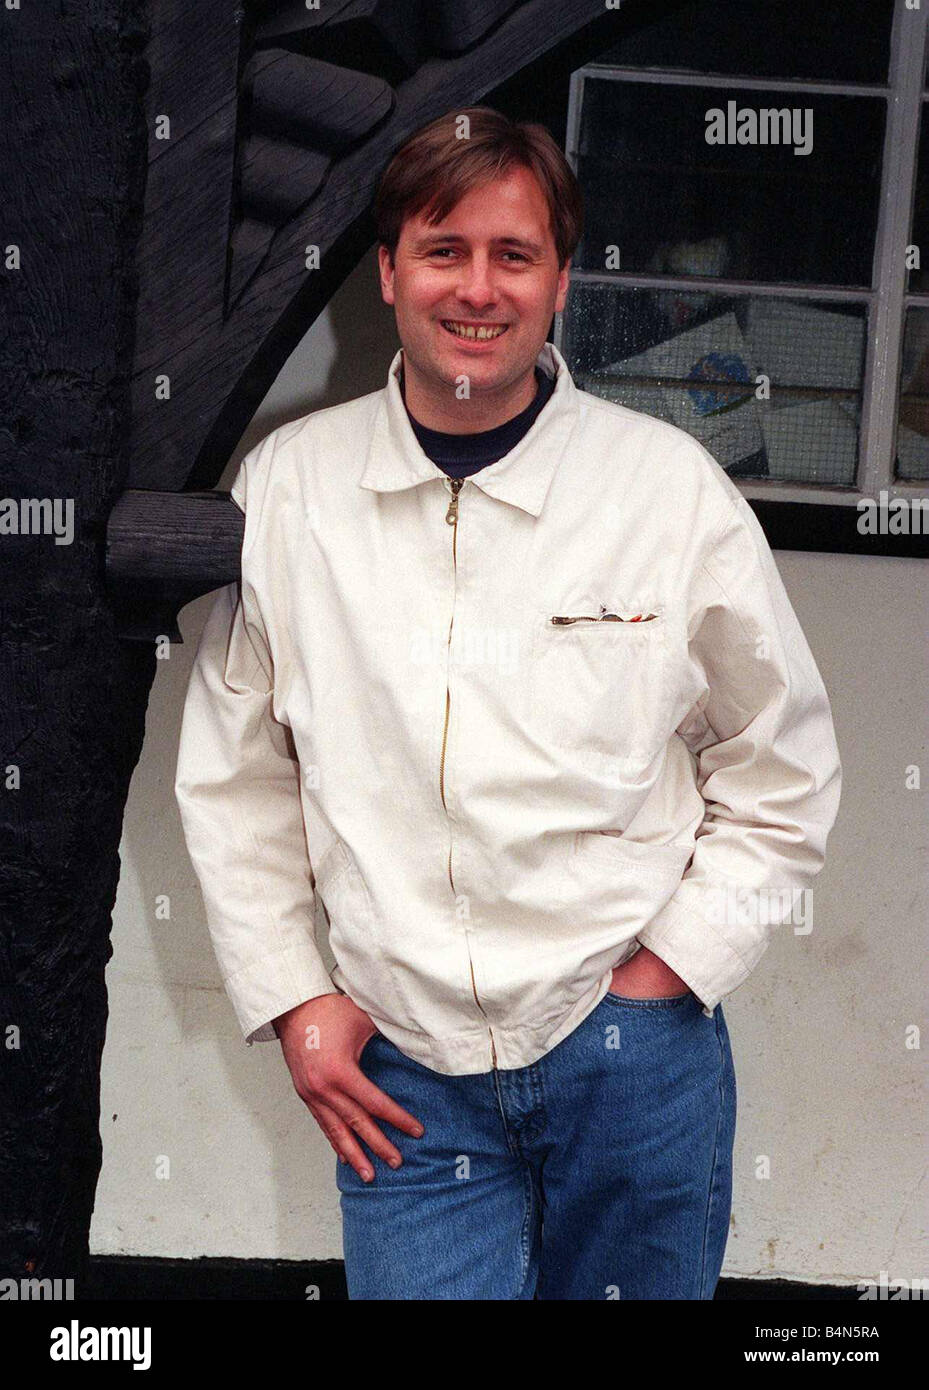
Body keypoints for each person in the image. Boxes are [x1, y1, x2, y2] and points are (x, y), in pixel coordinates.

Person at [174, 106, 842, 1300]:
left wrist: (672, 966)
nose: (476, 289)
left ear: (559, 280)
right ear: (387, 272)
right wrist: (295, 998)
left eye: (512, 254)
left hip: (630, 1054)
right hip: (401, 1073)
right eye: (443, 250)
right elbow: (238, 775)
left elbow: (782, 760)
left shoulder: (663, 493)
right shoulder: (291, 490)